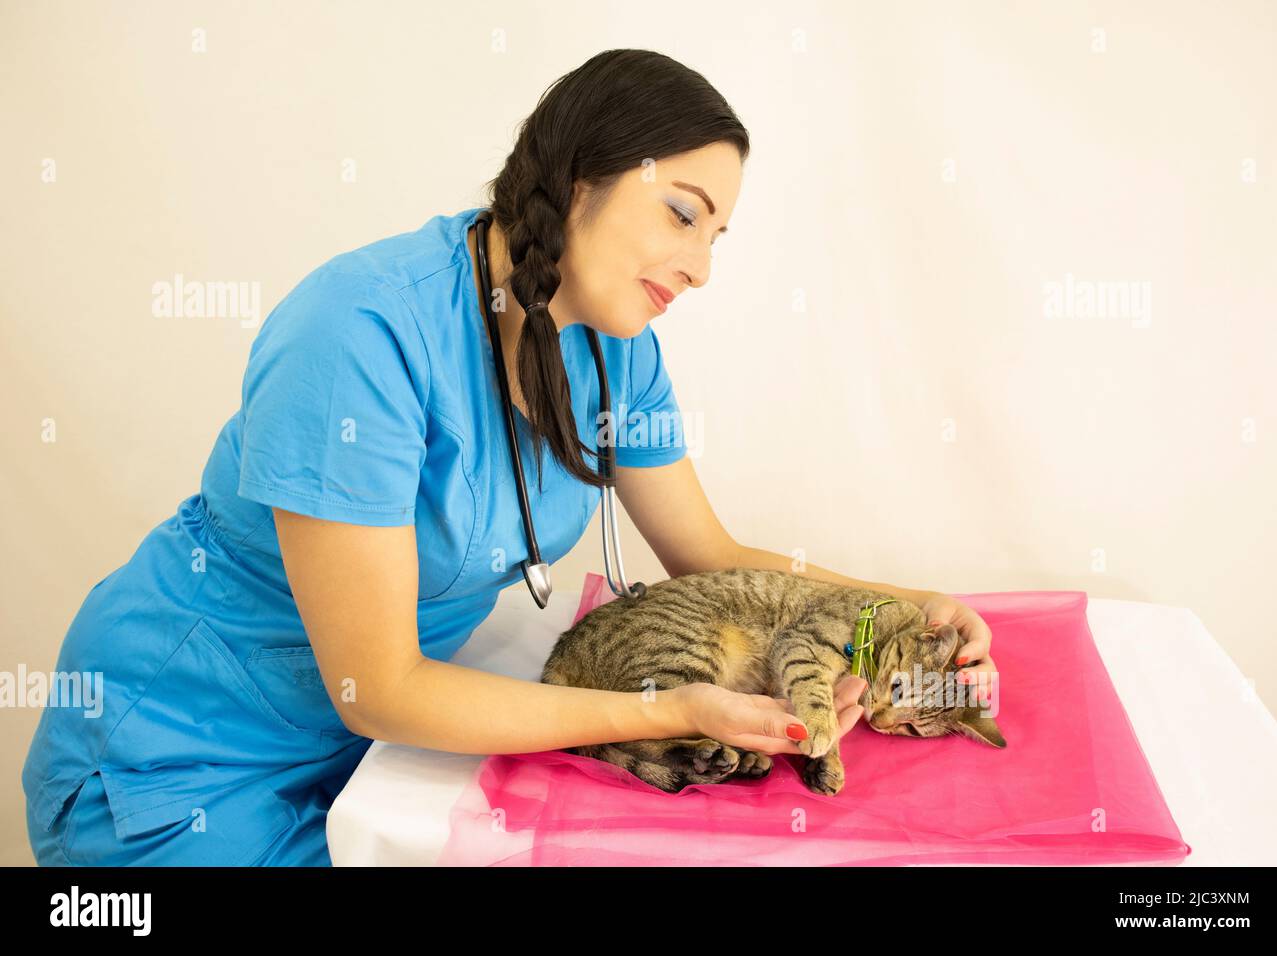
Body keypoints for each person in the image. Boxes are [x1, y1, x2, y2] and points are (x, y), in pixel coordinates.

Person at [23, 49, 995, 866]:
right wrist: (656, 708)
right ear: (579, 178)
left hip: (382, 764)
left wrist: (906, 607)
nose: (702, 268)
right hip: (176, 766)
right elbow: (379, 687)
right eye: (684, 214)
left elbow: (708, 551)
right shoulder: (359, 335)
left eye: (719, 235)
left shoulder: (617, 349)